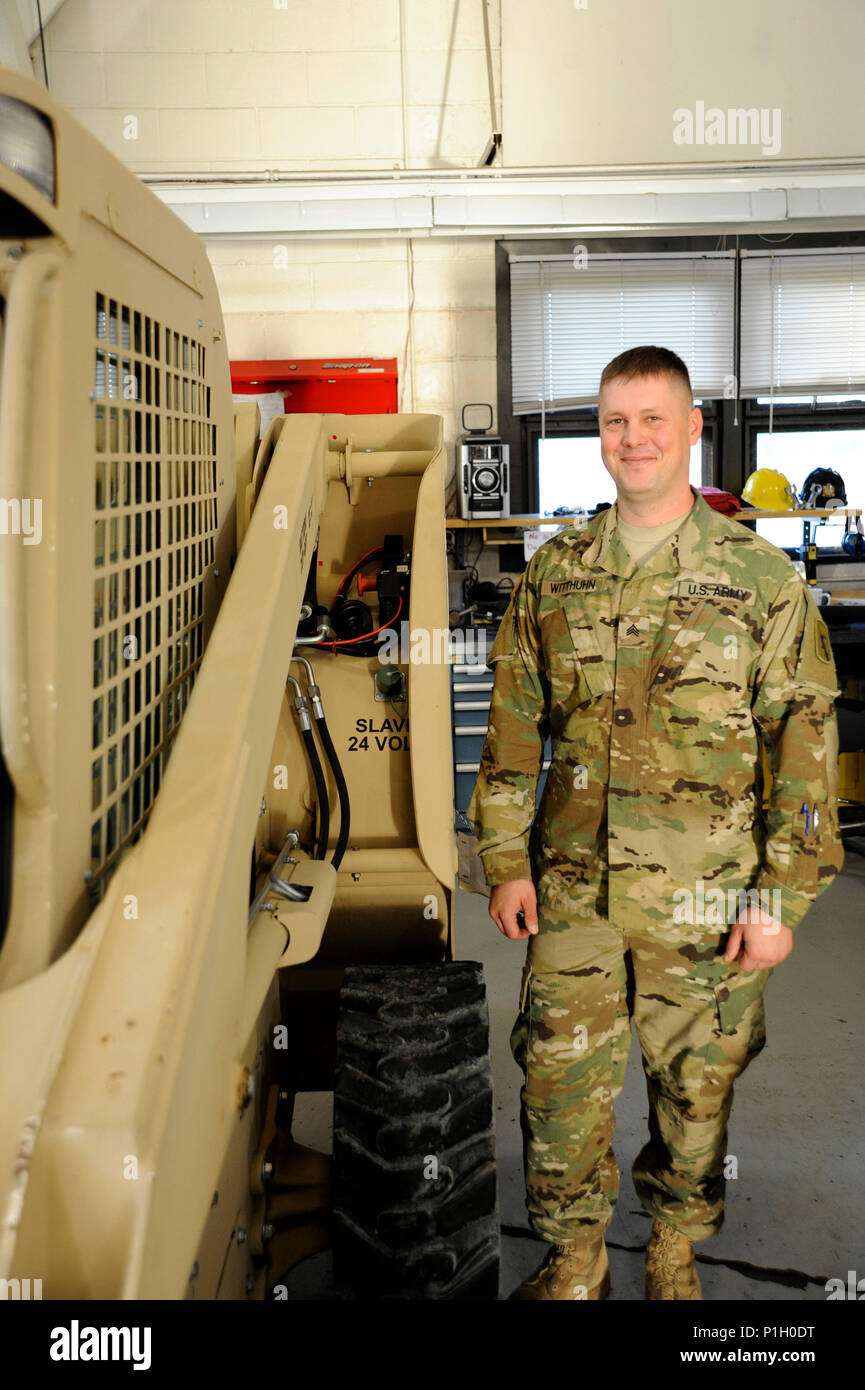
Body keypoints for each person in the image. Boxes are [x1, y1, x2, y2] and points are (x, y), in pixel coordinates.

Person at [467, 345, 844, 1301]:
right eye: (612, 422)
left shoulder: (760, 582)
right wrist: (505, 861)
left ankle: (673, 1252)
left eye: (650, 420)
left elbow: (802, 750)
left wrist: (781, 900)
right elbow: (513, 732)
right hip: (573, 896)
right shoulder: (554, 576)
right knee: (556, 1088)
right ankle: (576, 1257)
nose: (631, 440)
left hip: (706, 898)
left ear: (690, 430)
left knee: (696, 1095)